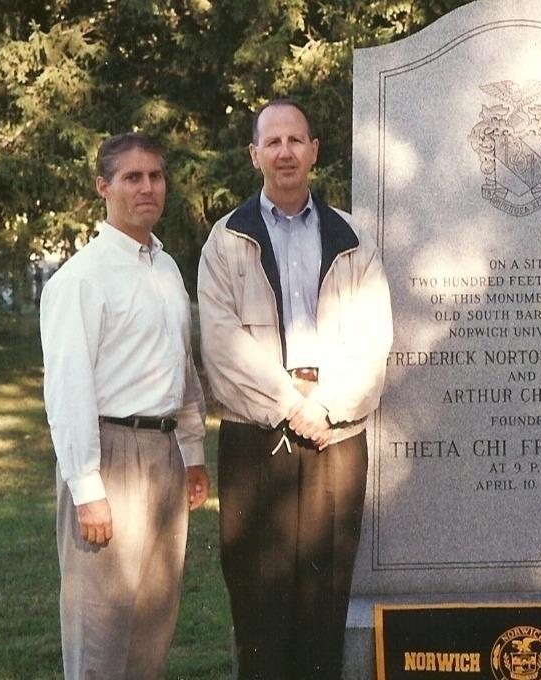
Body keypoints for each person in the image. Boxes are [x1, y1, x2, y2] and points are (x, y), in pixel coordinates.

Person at [198, 98, 393, 678]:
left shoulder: (353, 237)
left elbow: (373, 336)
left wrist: (327, 405)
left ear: (314, 151)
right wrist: (291, 404)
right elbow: (222, 342)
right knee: (259, 604)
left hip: (337, 439)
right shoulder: (227, 239)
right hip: (257, 439)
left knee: (324, 598)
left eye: (296, 140)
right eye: (273, 142)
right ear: (255, 154)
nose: (286, 152)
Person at [40, 132, 210, 678]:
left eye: (155, 176)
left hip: (164, 457)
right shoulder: (81, 279)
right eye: (132, 177)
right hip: (109, 458)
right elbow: (68, 390)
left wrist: (194, 452)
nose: (146, 188)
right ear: (103, 187)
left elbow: (181, 369)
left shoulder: (166, 269)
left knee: (152, 629)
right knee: (102, 634)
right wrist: (88, 490)